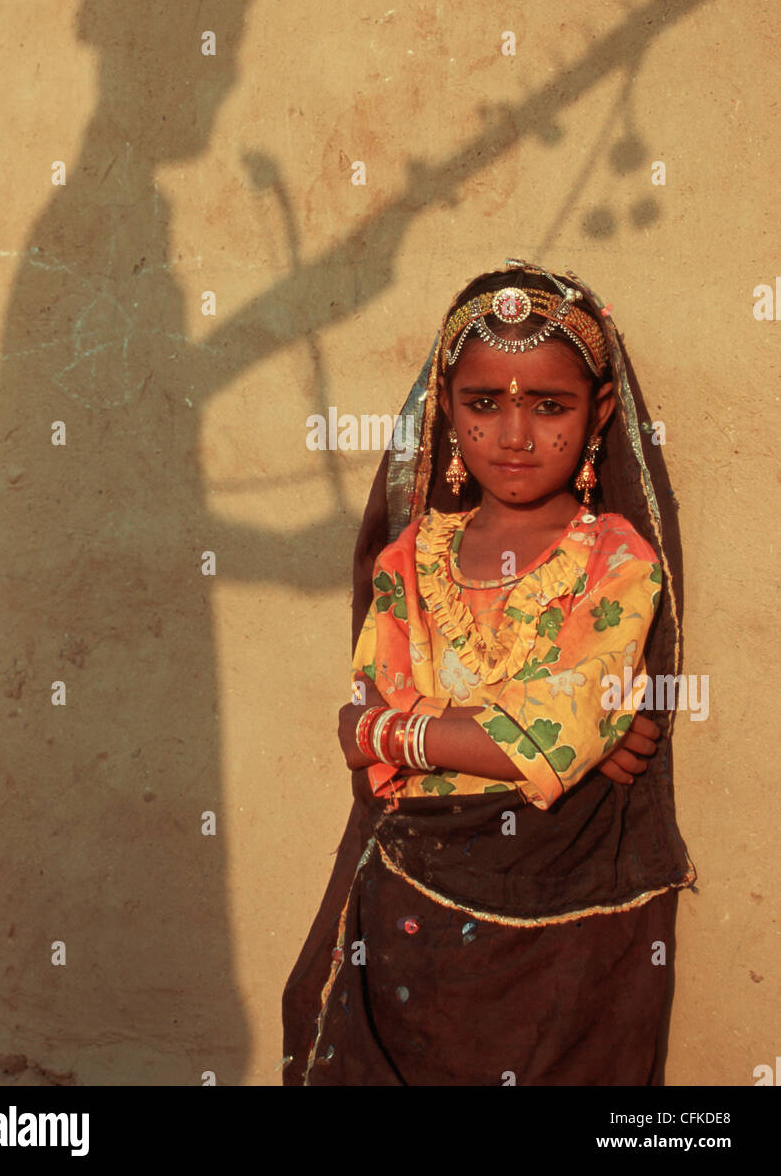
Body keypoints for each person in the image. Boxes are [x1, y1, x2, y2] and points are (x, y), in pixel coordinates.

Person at [282, 258, 696, 1086]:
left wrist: (394, 731)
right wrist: (492, 729)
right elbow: (500, 731)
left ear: (598, 412)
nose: (513, 436)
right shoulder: (409, 558)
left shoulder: (614, 561)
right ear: (447, 406)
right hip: (408, 901)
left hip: (553, 934)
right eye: (482, 404)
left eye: (548, 406)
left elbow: (552, 736)